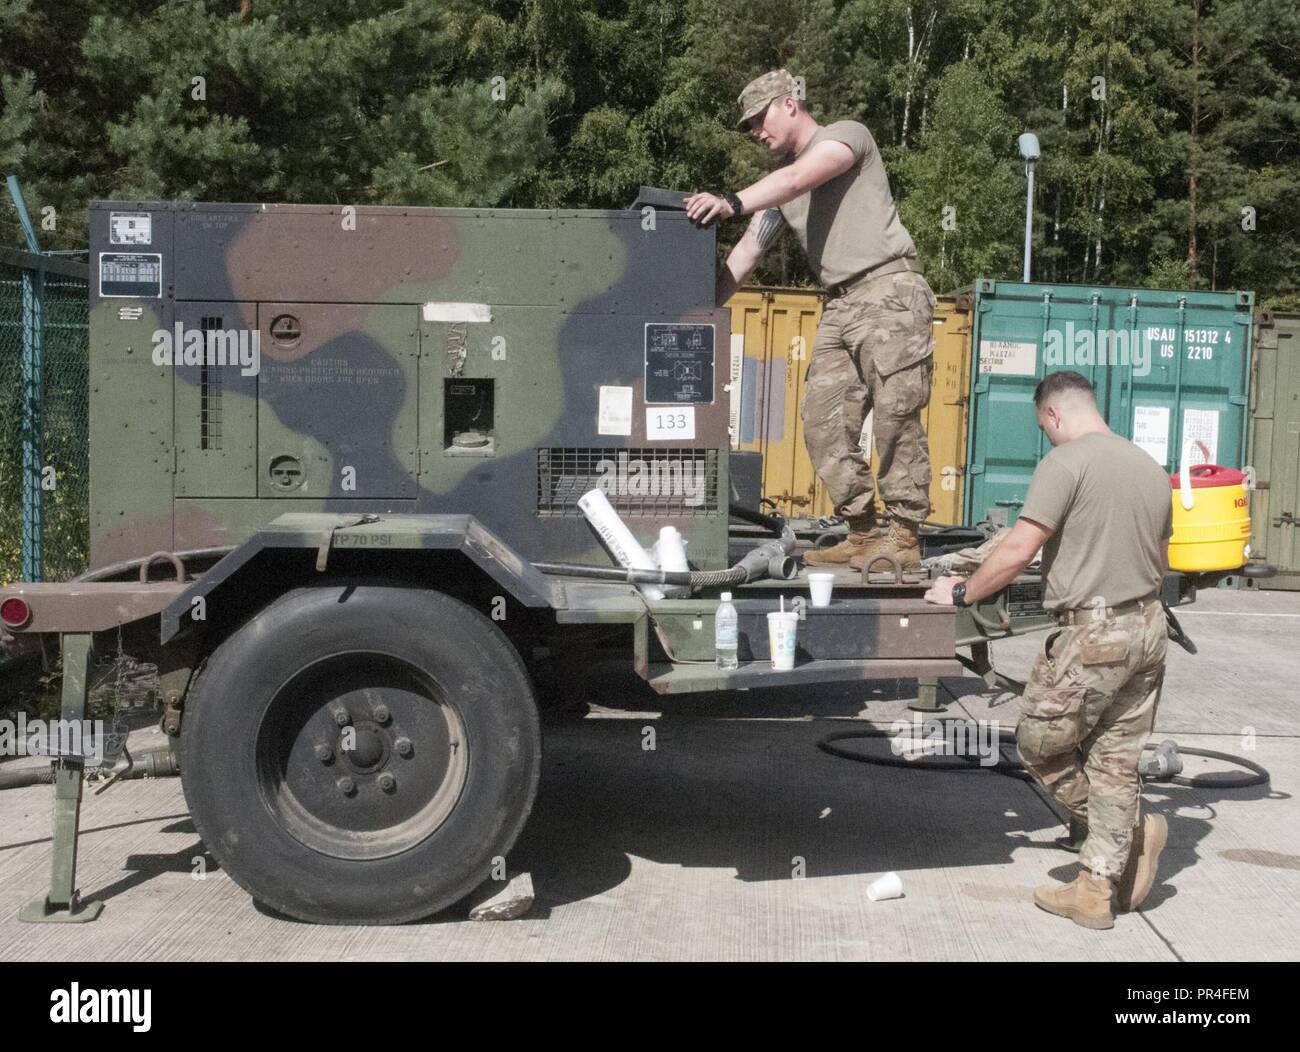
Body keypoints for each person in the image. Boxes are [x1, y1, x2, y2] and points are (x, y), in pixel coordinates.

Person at [925, 370, 1173, 929]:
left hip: (1093, 633)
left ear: (1055, 414)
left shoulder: (1065, 463)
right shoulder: (1151, 469)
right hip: (1148, 627)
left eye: (1044, 427)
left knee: (1040, 745)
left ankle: (1128, 830)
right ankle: (1094, 891)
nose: (1047, 437)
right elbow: (1159, 560)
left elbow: (1019, 547)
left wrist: (960, 592)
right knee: (1115, 761)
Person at [684, 69, 935, 571]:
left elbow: (800, 176)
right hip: (840, 305)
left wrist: (730, 201)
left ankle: (904, 536)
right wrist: (696, 310)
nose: (757, 132)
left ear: (789, 104)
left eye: (760, 119)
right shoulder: (782, 191)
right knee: (822, 423)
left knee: (895, 419)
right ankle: (862, 531)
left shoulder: (846, 137)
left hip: (889, 290)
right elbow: (749, 252)